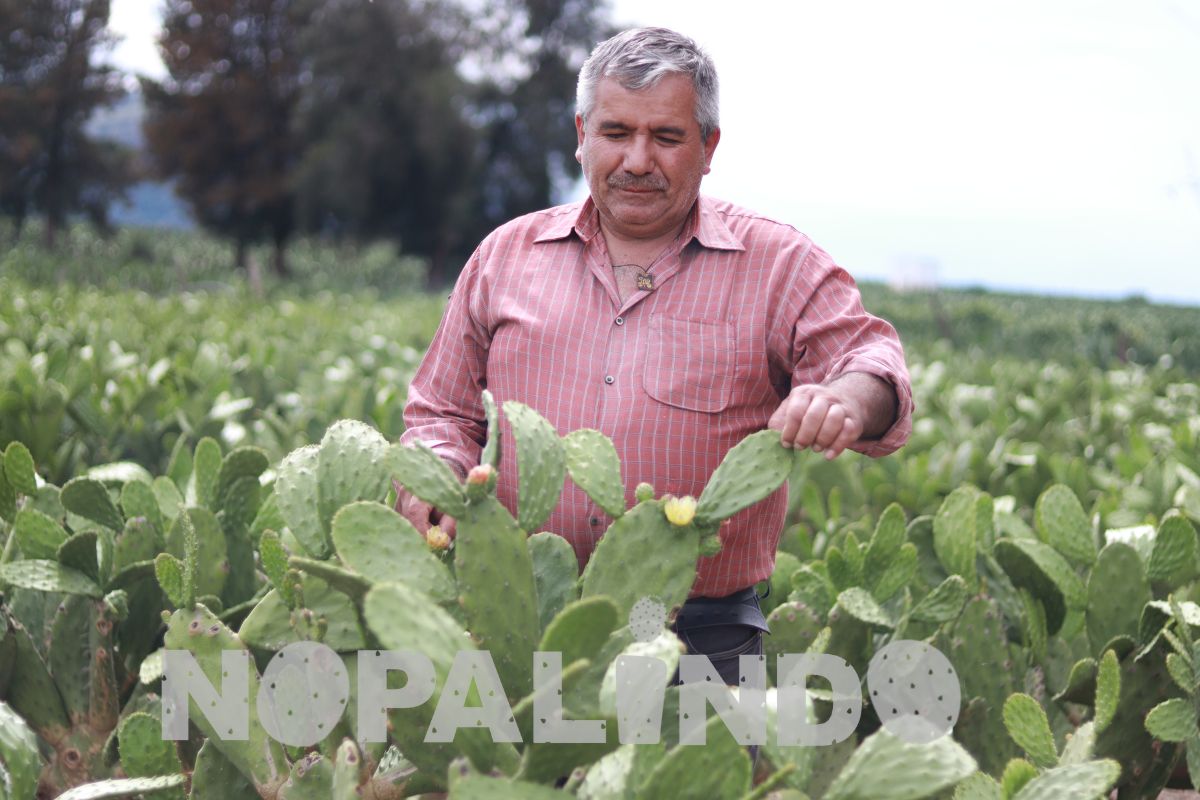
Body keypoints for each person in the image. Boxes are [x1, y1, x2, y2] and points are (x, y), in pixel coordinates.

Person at [396, 26, 912, 686]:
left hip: (698, 636)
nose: (638, 159)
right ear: (582, 133)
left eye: (666, 137)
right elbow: (441, 410)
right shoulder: (504, 257)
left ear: (708, 146)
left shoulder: (780, 264)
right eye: (616, 133)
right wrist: (437, 471)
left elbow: (871, 361)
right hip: (512, 617)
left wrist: (845, 400)